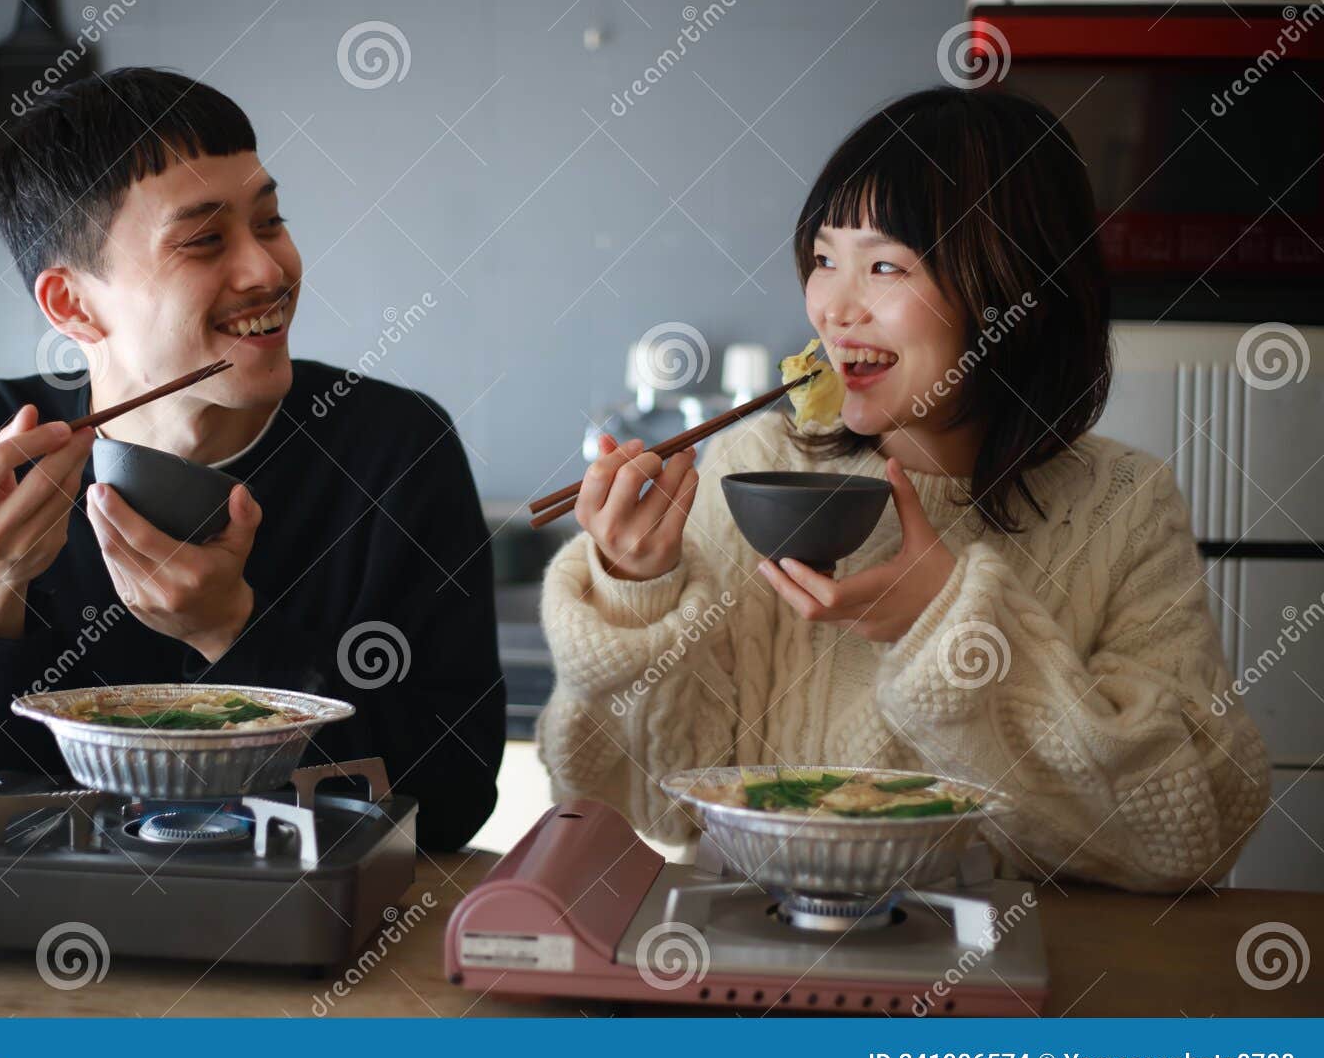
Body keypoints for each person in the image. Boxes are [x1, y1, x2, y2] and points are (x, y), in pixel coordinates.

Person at [537, 86, 1270, 891]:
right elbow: (638, 803)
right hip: (756, 973)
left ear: (1010, 292)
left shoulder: (1124, 504)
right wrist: (638, 590)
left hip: (1001, 991)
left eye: (884, 266)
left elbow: (1191, 832)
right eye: (823, 260)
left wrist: (948, 623)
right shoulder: (759, 466)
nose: (834, 309)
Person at [0, 68, 504, 851]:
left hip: (314, 949)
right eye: (206, 240)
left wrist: (236, 634)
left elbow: (449, 802)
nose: (268, 271)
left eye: (269, 221)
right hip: (27, 954)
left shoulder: (393, 447)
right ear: (73, 305)